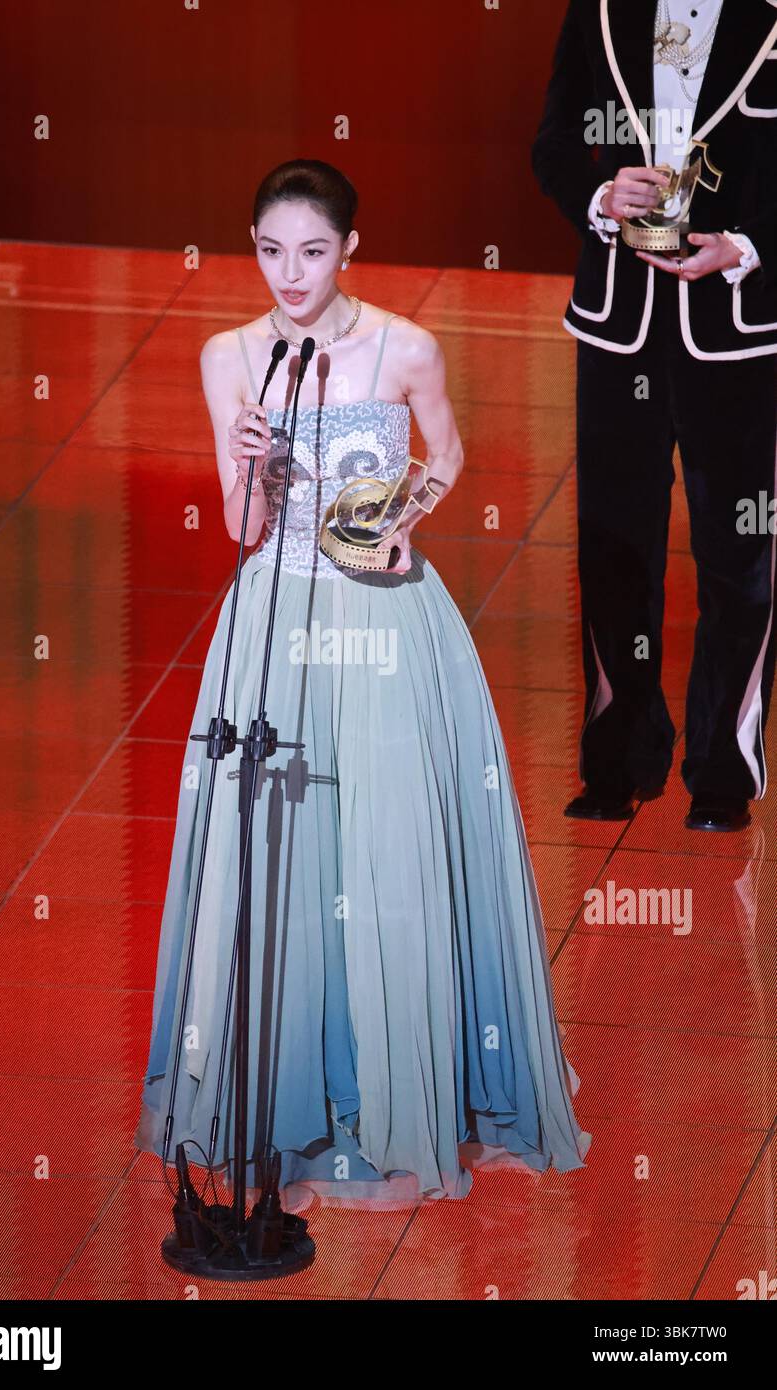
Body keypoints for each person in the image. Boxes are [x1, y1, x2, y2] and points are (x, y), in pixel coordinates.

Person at [133, 158, 591, 1213]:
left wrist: (405, 517)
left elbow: (451, 451)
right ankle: (285, 1088)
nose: (288, 273)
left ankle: (396, 1089)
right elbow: (243, 528)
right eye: (268, 249)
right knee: (280, 856)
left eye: (312, 250)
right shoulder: (230, 356)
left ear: (349, 250)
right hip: (276, 619)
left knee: (388, 850)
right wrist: (249, 459)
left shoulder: (404, 346)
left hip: (385, 620)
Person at [532, 0, 777, 832]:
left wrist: (742, 247)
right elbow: (554, 142)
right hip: (616, 327)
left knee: (736, 554)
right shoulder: (601, 11)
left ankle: (721, 771)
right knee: (612, 545)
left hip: (738, 331)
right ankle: (617, 759)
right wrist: (602, 194)